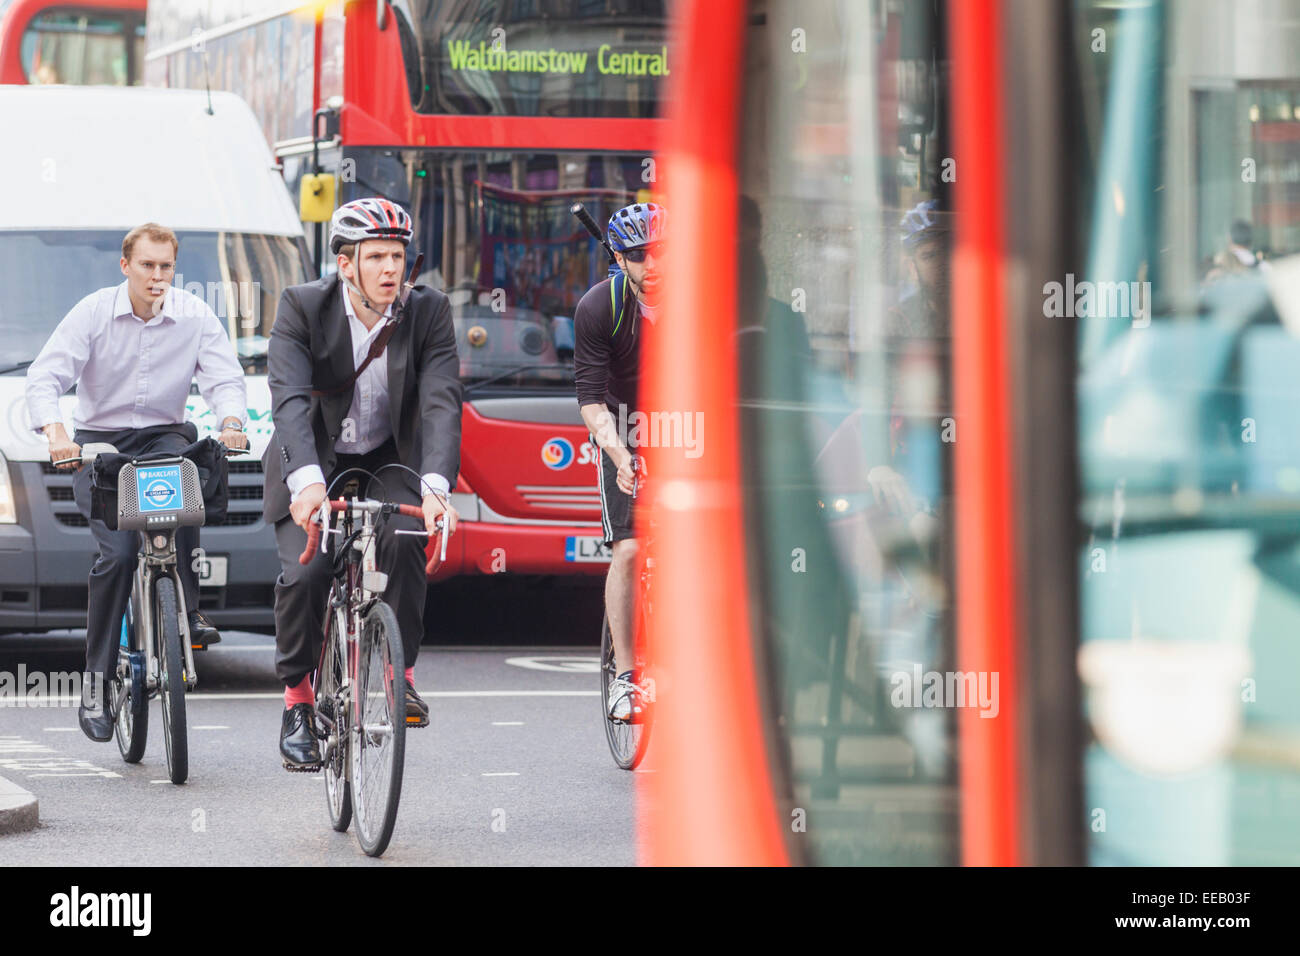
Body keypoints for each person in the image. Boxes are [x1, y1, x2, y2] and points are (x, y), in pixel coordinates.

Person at [25, 222, 249, 742]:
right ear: (125, 265)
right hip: (101, 446)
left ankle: (188, 613)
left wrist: (232, 422)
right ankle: (97, 688)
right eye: (147, 265)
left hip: (164, 436)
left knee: (189, 474)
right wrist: (57, 433)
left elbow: (224, 378)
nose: (157, 276)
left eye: (165, 266)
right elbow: (46, 377)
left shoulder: (193, 314)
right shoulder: (93, 312)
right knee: (120, 557)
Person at [265, 197, 462, 771]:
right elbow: (291, 404)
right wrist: (305, 484)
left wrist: (435, 487)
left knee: (403, 542)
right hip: (316, 462)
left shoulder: (429, 312)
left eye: (397, 255)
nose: (389, 268)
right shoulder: (302, 307)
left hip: (388, 458)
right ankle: (299, 701)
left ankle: (400, 677)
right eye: (374, 256)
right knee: (306, 571)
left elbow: (441, 404)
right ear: (345, 264)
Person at [573, 202, 664, 720]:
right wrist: (619, 453)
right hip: (621, 425)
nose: (654, 265)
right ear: (619, 259)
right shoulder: (598, 307)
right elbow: (591, 400)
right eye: (638, 256)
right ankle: (627, 678)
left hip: (686, 423)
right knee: (631, 549)